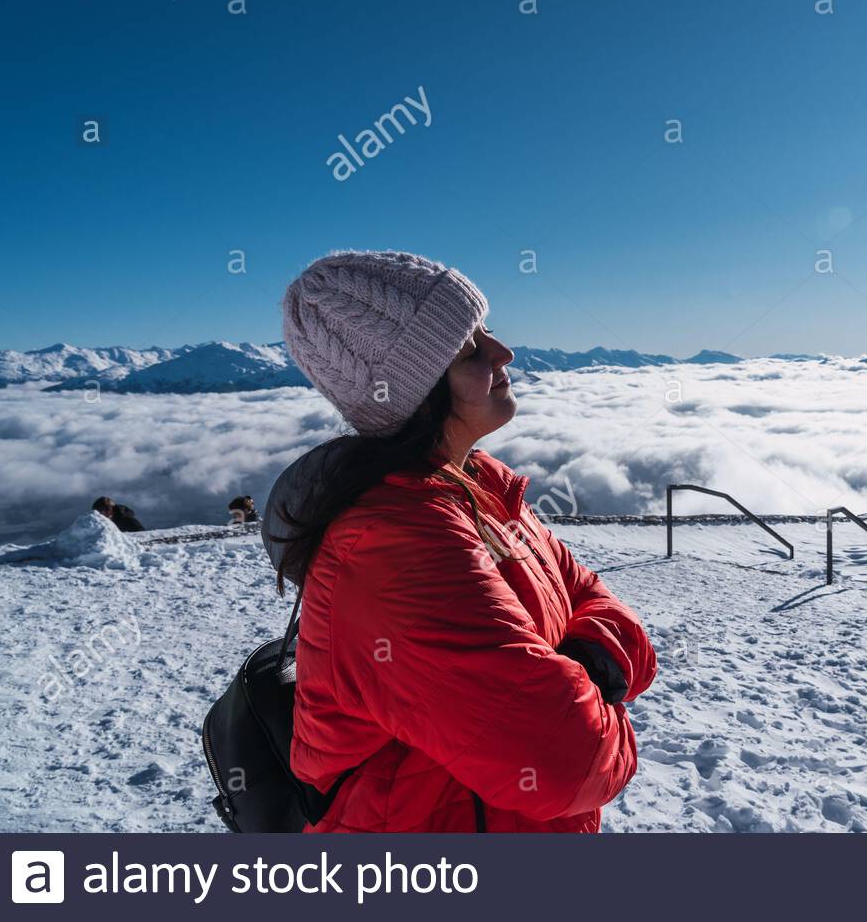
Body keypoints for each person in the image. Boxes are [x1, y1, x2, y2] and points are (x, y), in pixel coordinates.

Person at [265, 250, 656, 833]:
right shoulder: (393, 548)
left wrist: (583, 668)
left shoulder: (480, 489)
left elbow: (593, 598)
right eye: (470, 348)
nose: (503, 353)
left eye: (487, 331)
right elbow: (569, 762)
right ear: (416, 390)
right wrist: (590, 679)